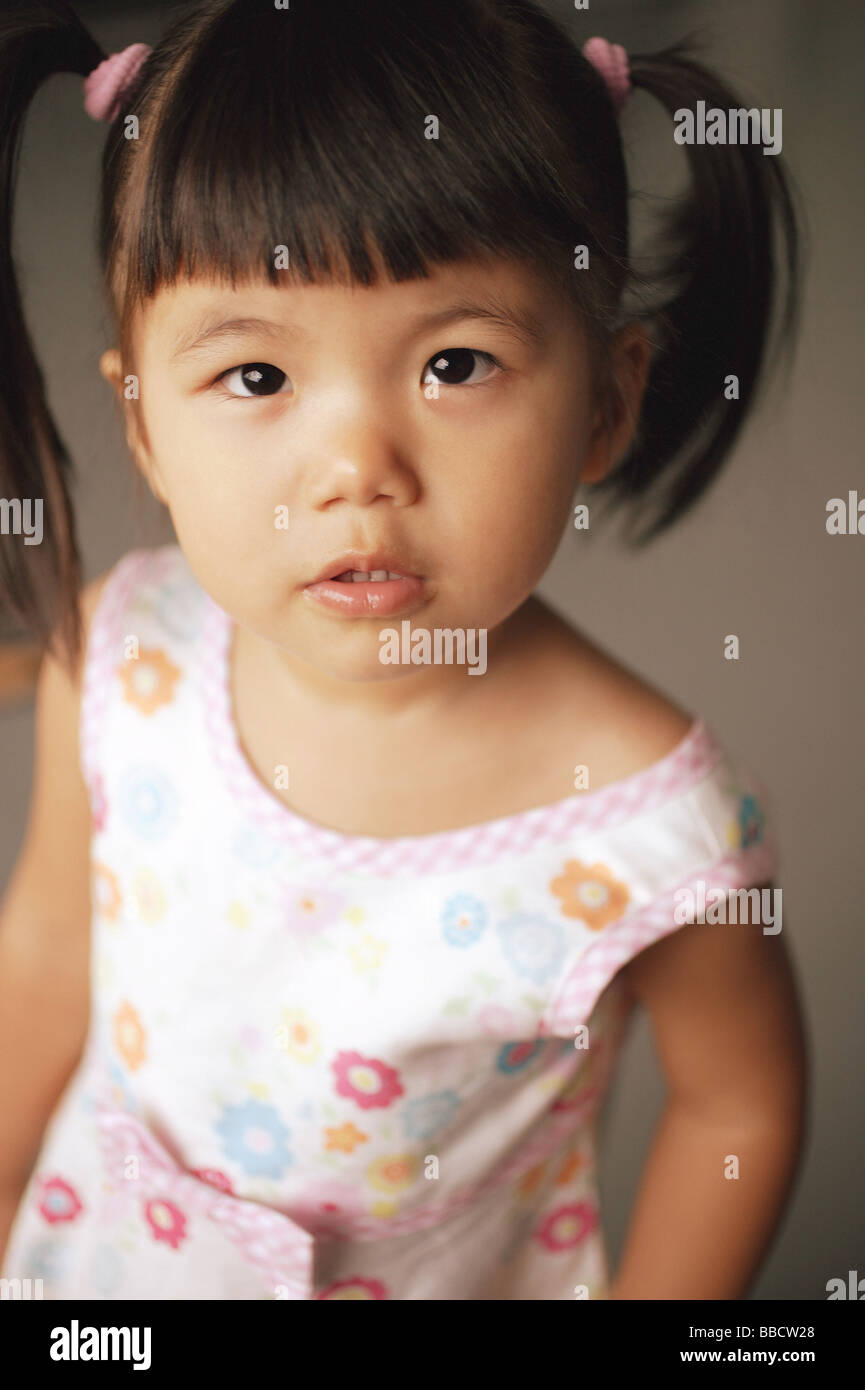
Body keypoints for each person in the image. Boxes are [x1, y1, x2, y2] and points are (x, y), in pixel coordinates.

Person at [0, 0, 807, 1300]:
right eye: (256, 379)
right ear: (143, 425)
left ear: (605, 403)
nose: (354, 470)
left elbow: (739, 1108)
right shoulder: (124, 658)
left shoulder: (648, 826)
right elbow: (44, 952)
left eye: (455, 361)